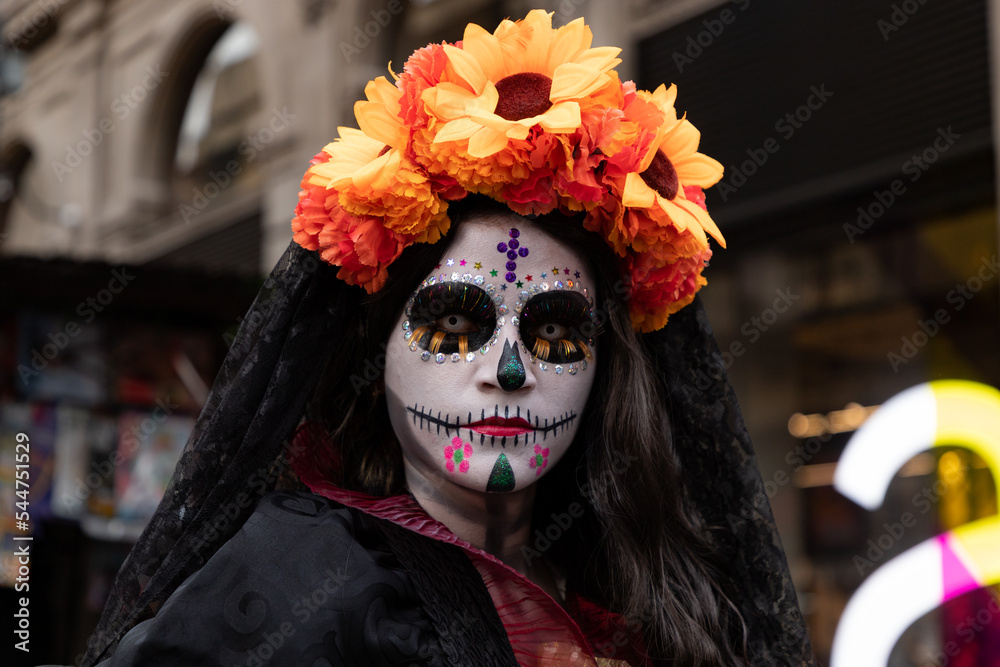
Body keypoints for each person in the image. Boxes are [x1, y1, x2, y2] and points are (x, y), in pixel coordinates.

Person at [75, 10, 816, 666]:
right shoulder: (289, 575)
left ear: (606, 364)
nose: (510, 369)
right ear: (377, 356)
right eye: (456, 322)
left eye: (555, 328)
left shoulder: (631, 583)